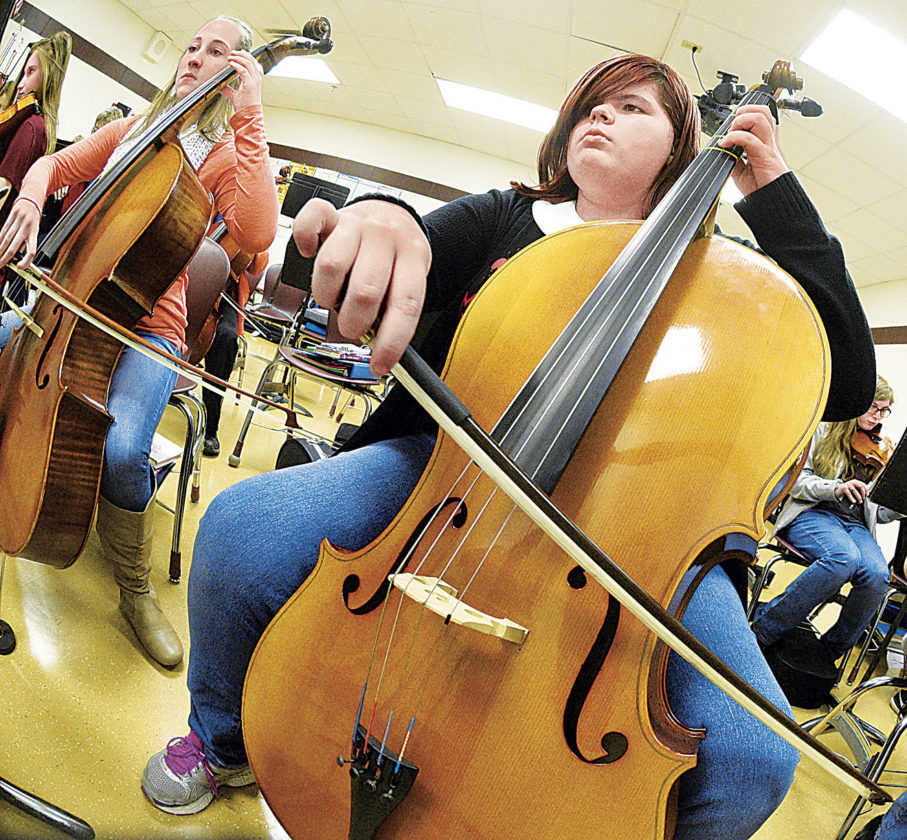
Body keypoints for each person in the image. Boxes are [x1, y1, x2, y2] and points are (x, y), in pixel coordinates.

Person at [140, 54, 876, 837]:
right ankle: (222, 742)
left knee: (751, 758)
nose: (600, 116)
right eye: (590, 105)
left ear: (678, 151)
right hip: (450, 470)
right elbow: (411, 240)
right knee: (243, 529)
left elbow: (847, 378)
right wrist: (382, 214)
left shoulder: (724, 284)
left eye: (631, 108)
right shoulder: (510, 217)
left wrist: (775, 199)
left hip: (640, 536)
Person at [0, 16, 279, 667]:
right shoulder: (139, 128)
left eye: (214, 51)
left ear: (234, 73)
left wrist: (252, 115)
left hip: (152, 329)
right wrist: (34, 201)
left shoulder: (225, 154)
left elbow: (260, 231)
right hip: (73, 302)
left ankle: (133, 590)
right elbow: (52, 163)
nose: (193, 58)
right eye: (189, 46)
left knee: (125, 449)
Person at [751, 376, 901, 662]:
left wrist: (897, 504)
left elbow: (878, 513)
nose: (879, 417)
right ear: (857, 402)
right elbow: (796, 483)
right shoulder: (822, 428)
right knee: (843, 559)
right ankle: (763, 629)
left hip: (855, 525)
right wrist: (835, 488)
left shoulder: (879, 448)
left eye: (885, 411)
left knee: (878, 576)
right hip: (813, 511)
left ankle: (827, 653)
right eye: (874, 408)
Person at [0, 31, 70, 309]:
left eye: (31, 72)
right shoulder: (36, 126)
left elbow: (3, 189)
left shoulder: (31, 127)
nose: (21, 83)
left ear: (48, 77)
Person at [200, 250, 268, 456]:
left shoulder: (249, 223)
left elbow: (258, 265)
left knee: (226, 339)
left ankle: (210, 429)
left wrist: (255, 241)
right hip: (194, 277)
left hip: (227, 290)